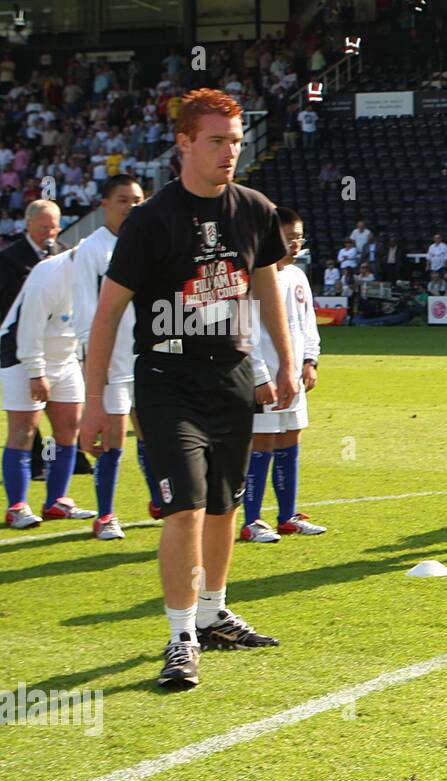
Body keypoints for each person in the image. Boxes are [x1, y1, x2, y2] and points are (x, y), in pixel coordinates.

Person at [79, 88, 299, 689]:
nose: (230, 152)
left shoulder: (255, 208)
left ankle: (212, 614)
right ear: (183, 143)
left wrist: (285, 361)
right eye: (217, 141)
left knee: (226, 504)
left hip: (230, 375)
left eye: (236, 141)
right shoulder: (151, 220)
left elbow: (266, 288)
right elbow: (107, 316)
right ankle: (180, 636)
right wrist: (96, 402)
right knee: (185, 506)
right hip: (167, 378)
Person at [71, 174, 165, 539]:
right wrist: (92, 360)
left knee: (152, 432)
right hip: (111, 361)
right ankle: (106, 515)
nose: (132, 207)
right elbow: (84, 311)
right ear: (104, 205)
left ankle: (159, 499)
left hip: (146, 355)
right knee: (112, 438)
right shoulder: (91, 250)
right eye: (123, 200)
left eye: (138, 199)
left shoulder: (147, 245)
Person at [241, 206, 325, 543]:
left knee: (291, 436)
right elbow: (245, 333)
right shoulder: (252, 278)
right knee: (261, 443)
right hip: (265, 380)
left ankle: (287, 515)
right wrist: (259, 377)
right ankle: (252, 520)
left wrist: (309, 361)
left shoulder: (297, 277)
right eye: (288, 238)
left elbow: (308, 325)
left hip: (292, 377)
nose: (295, 244)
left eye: (298, 238)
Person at [1, 243, 94, 528]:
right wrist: (36, 373)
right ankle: (17, 507)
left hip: (65, 358)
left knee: (68, 428)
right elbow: (28, 330)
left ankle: (56, 501)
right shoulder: (49, 275)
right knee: (23, 431)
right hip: (20, 355)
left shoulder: (101, 270)